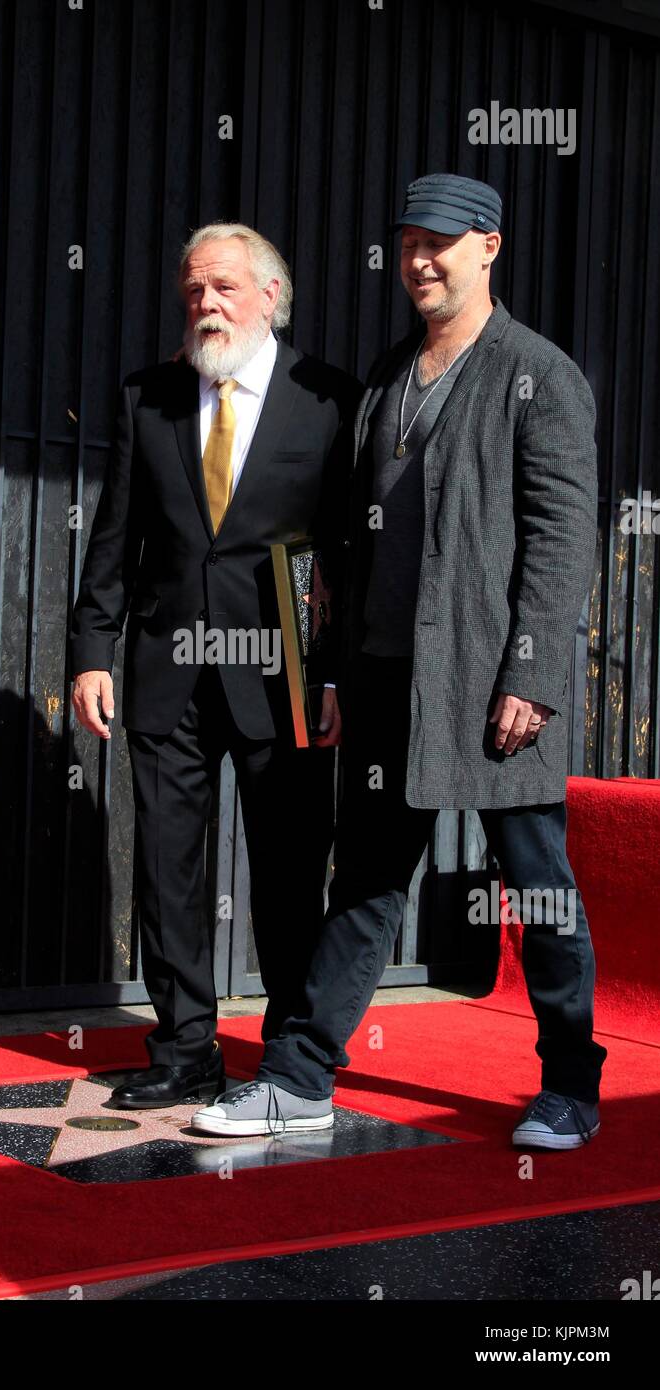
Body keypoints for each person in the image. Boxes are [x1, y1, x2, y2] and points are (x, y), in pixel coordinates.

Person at [192, 174, 608, 1150]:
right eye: (410, 241)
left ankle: (570, 1087)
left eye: (443, 242)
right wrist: (330, 669)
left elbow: (557, 541)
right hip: (385, 683)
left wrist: (533, 674)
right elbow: (343, 548)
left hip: (494, 686)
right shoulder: (385, 377)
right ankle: (298, 1078)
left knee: (535, 886)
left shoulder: (537, 375)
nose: (421, 260)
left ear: (488, 248)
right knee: (364, 884)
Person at [70, 222, 361, 1108]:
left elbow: (346, 554)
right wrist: (92, 648)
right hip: (166, 673)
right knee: (167, 871)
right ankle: (184, 1049)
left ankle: (287, 1054)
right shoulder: (146, 396)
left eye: (225, 288)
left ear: (271, 296)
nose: (206, 305)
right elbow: (116, 535)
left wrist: (337, 673)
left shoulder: (329, 401)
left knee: (288, 873)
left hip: (287, 681)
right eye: (194, 289)